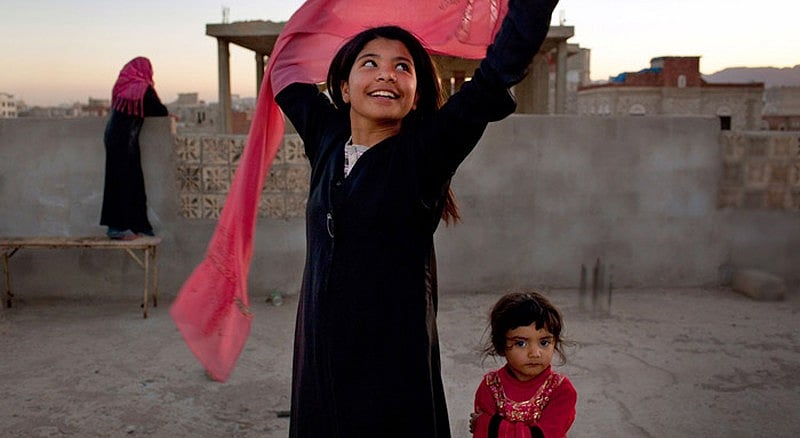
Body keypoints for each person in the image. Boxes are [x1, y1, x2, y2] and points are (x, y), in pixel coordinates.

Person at [273, 0, 558, 435]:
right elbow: (285, 71)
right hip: (318, 359)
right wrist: (323, 13)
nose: (386, 74)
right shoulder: (327, 138)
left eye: (402, 67)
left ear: (417, 94)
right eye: (370, 63)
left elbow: (498, 71)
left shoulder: (425, 153)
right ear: (345, 88)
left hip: (389, 368)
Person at [471, 292, 577, 438]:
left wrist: (489, 425)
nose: (535, 353)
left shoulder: (561, 391)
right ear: (500, 346)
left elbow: (544, 435)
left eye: (544, 342)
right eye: (521, 343)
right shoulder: (490, 387)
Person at [100, 56, 168, 240]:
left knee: (123, 181)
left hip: (115, 138)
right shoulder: (143, 89)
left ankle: (135, 226)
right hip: (125, 140)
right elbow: (160, 111)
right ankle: (119, 228)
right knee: (127, 181)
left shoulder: (123, 87)